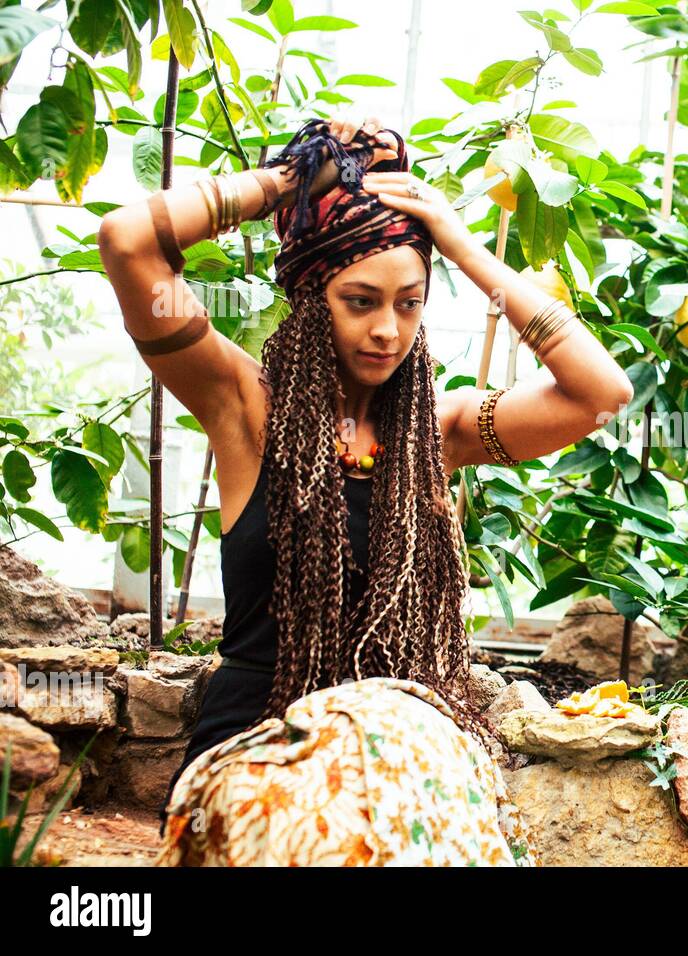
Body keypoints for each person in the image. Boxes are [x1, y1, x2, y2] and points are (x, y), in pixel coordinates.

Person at [97, 114, 634, 865]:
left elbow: (602, 395)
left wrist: (459, 244)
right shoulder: (246, 408)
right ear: (313, 293)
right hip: (261, 753)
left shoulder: (438, 433)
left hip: (399, 759)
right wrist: (299, 178)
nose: (388, 328)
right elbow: (127, 242)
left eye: (408, 303)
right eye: (361, 301)